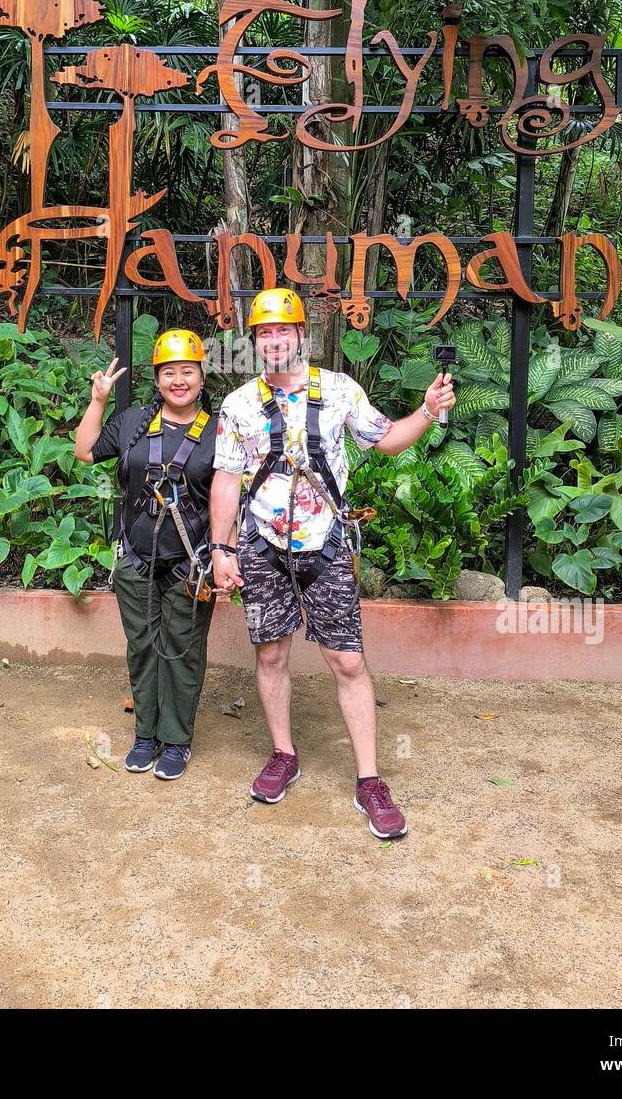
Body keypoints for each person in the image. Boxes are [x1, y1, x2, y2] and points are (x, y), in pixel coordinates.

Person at [208, 288, 455, 838]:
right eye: (263, 333)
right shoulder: (238, 405)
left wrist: (427, 411)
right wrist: (222, 549)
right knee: (270, 655)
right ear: (255, 342)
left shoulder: (339, 390)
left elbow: (387, 440)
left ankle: (369, 779)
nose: (274, 341)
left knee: (346, 662)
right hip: (263, 543)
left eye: (283, 331)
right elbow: (227, 478)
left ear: (302, 335)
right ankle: (283, 753)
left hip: (325, 542)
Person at [74, 329, 218, 781]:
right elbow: (84, 452)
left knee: (183, 650)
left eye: (187, 372)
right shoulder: (135, 422)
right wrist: (98, 400)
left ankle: (176, 741)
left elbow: (229, 497)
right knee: (142, 648)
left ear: (201, 376)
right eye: (169, 372)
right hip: (137, 558)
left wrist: (224, 554)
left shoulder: (219, 432)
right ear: (157, 379)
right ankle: (146, 735)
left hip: (190, 563)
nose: (179, 381)